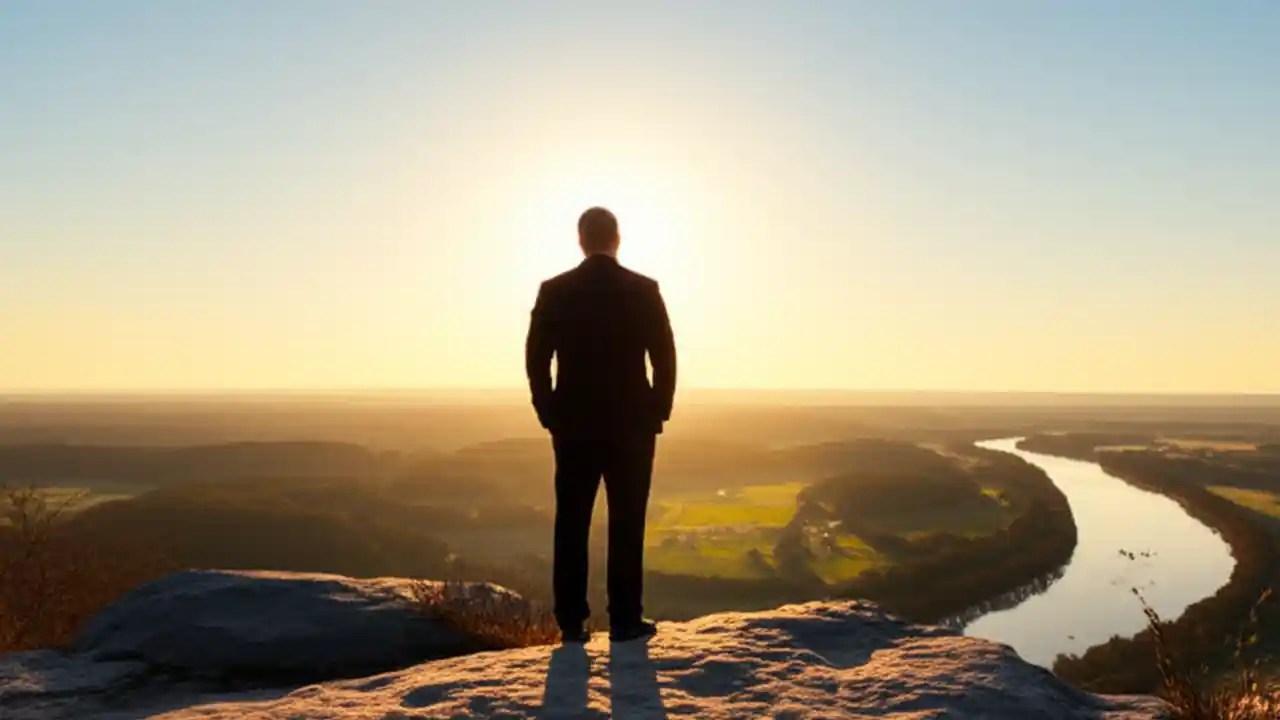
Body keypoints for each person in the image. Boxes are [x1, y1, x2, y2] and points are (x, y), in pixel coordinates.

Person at [525, 206, 677, 643]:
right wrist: (658, 411)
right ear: (617, 239)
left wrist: (549, 412)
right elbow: (664, 356)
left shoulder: (555, 291)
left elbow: (536, 358)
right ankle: (625, 619)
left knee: (571, 521)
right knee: (628, 521)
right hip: (632, 426)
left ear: (581, 240)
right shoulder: (643, 289)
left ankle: (571, 623)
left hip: (573, 425)